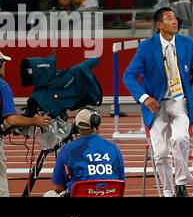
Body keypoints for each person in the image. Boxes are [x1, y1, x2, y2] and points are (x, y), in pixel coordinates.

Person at [122, 6, 193, 197]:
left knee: (180, 138)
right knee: (160, 154)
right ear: (159, 25)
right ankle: (168, 191)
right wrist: (145, 98)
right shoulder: (146, 47)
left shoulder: (188, 44)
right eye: (169, 18)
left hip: (179, 102)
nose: (174, 21)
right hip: (157, 105)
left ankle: (181, 183)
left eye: (175, 18)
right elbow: (128, 76)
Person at [1, 48, 52, 197]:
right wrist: (35, 121)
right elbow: (12, 119)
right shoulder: (3, 86)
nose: (5, 65)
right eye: (3, 62)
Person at [49, 108, 125, 194]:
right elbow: (120, 181)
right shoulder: (114, 148)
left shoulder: (67, 150)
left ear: (75, 128)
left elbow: (58, 187)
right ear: (96, 125)